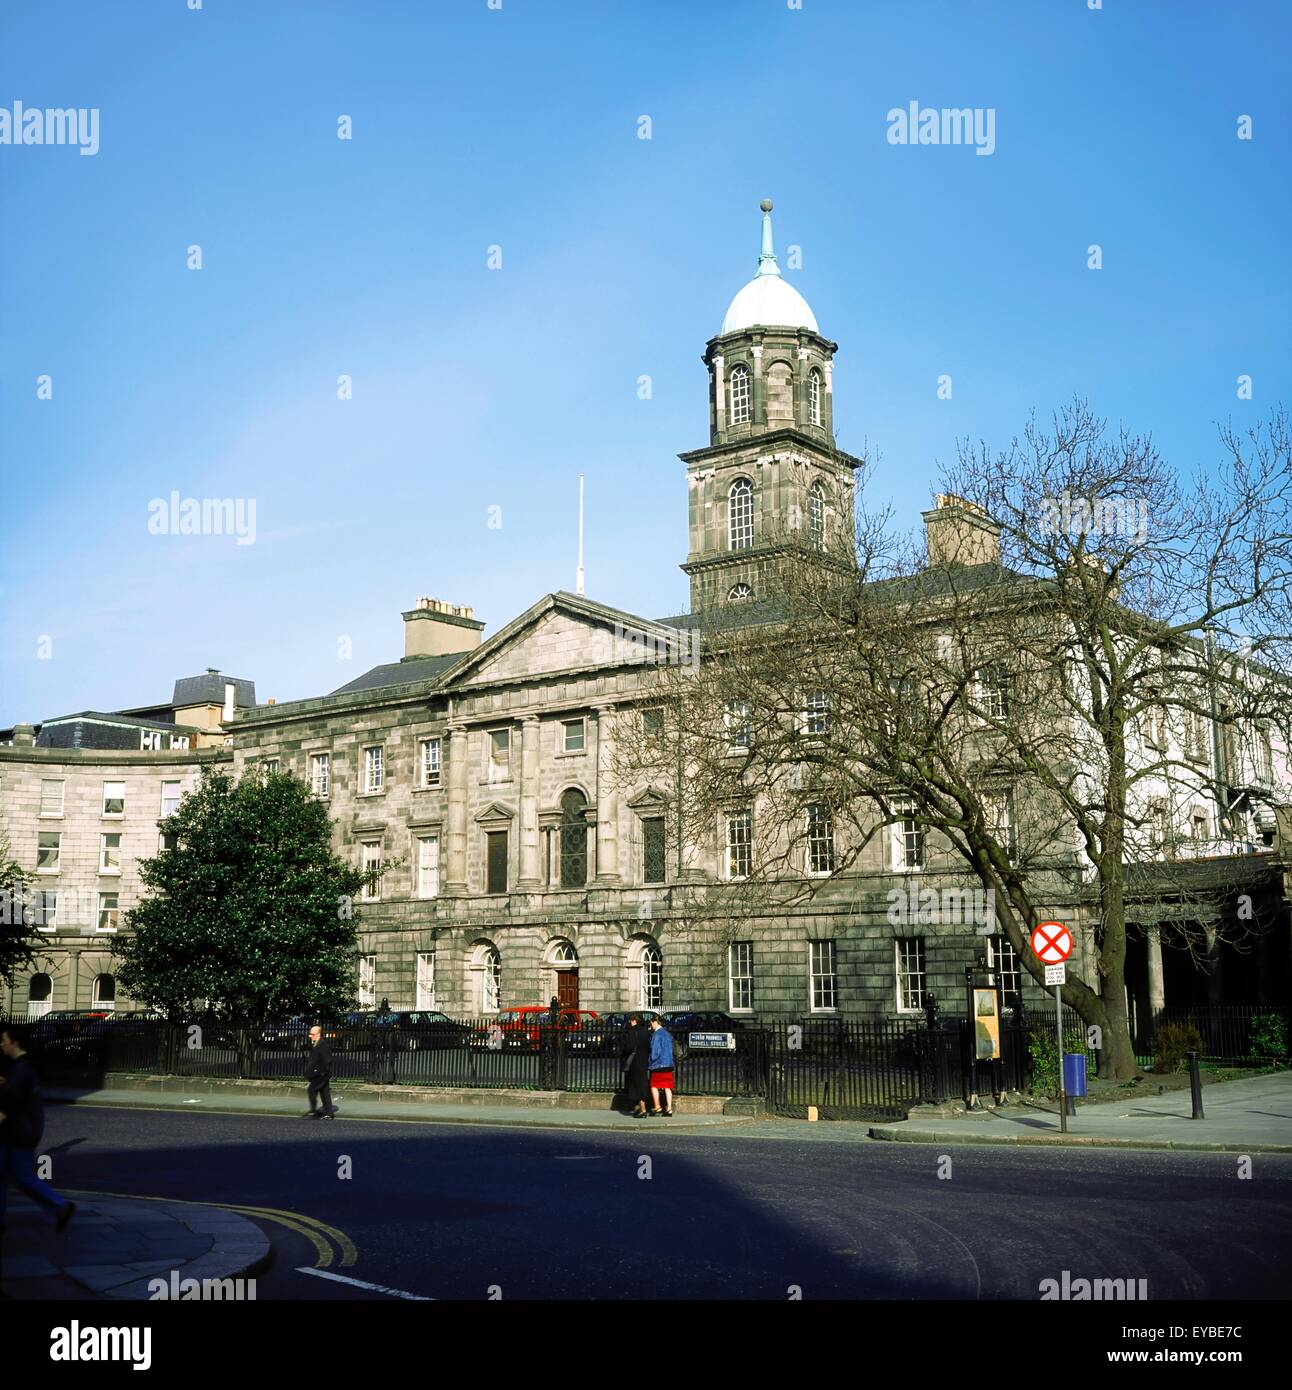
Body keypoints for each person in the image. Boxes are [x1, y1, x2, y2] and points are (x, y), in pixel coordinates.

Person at [0, 1024, 76, 1231]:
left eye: (4, 1041)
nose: (1, 1045)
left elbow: (8, 1105)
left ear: (15, 1043)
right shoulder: (24, 1067)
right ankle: (59, 1207)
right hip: (24, 1131)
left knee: (21, 1177)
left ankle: (61, 1206)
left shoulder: (20, 1070)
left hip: (16, 1133)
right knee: (17, 1177)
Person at [621, 1015, 651, 1119]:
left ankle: (642, 1109)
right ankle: (639, 1108)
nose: (630, 1023)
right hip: (643, 1062)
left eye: (631, 1021)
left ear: (634, 1021)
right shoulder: (645, 1032)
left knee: (636, 1087)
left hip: (634, 1062)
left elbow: (628, 1047)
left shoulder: (631, 1032)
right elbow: (648, 1047)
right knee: (642, 1085)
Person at [303, 1024, 335, 1119]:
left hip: (321, 1074)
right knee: (324, 1093)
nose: (310, 1036)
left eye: (312, 1034)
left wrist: (322, 1072)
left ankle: (314, 1112)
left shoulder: (322, 1044)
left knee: (311, 1090)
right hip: (320, 1073)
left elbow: (328, 1060)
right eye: (310, 1034)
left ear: (318, 1034)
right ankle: (329, 1113)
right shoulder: (316, 1043)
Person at [647, 1016, 675, 1117]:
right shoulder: (668, 1034)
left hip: (658, 1065)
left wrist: (649, 1061)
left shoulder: (656, 1035)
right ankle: (669, 1109)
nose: (651, 1026)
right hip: (669, 1064)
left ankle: (657, 1107)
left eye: (651, 1023)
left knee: (654, 1086)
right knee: (668, 1087)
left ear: (655, 1022)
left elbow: (655, 1053)